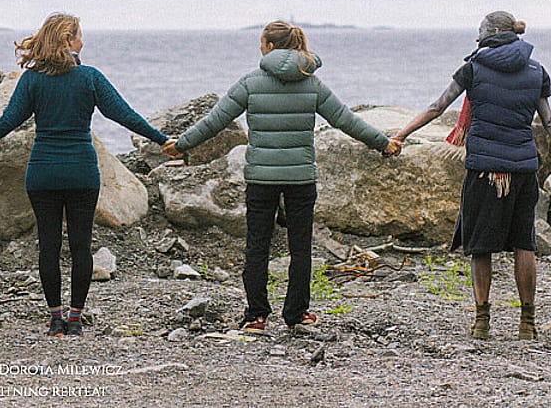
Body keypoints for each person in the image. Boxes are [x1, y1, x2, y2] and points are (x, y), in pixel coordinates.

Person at [162, 21, 400, 334]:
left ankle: (256, 316)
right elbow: (346, 120)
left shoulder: (250, 82)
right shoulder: (312, 83)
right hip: (300, 177)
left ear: (270, 47)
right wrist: (383, 142)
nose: (260, 47)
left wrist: (180, 145)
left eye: (261, 42)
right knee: (300, 248)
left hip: (261, 178)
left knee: (257, 247)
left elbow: (215, 121)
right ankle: (297, 314)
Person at [0, 13, 169, 338]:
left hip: (43, 173)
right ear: (68, 40)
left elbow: (6, 122)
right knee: (80, 246)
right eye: (79, 36)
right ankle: (75, 318)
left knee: (47, 246)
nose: (82, 42)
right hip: (80, 173)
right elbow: (124, 115)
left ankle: (55, 319)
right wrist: (162, 141)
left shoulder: (31, 80)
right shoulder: (90, 78)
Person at [389, 11, 551, 341]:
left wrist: (401, 134)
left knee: (481, 244)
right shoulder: (536, 70)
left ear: (490, 33)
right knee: (525, 243)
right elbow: (550, 121)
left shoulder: (474, 67)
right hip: (523, 169)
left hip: (484, 170)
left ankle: (482, 321)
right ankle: (527, 323)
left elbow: (438, 107)